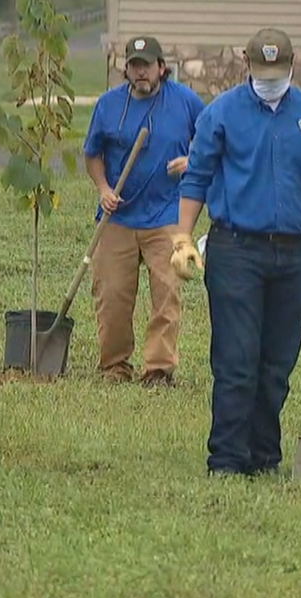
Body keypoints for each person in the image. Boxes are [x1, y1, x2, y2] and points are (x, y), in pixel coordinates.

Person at [169, 27, 301, 477]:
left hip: (291, 254)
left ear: (292, 66)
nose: (270, 80)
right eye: (262, 72)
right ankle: (226, 460)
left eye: (278, 72)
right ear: (246, 64)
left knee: (278, 363)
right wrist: (183, 237)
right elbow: (197, 176)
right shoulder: (221, 112)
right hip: (236, 249)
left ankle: (264, 456)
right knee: (237, 360)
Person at [82, 35, 207, 386]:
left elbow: (214, 137)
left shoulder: (185, 102)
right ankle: (115, 366)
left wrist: (193, 160)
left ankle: (159, 370)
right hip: (118, 215)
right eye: (134, 65)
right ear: (126, 68)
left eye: (147, 65)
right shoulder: (108, 105)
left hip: (167, 214)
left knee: (167, 293)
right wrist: (104, 189)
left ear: (161, 68)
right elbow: (92, 154)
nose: (140, 72)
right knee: (112, 296)